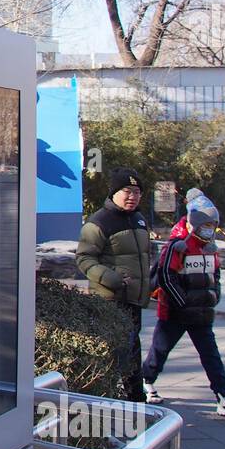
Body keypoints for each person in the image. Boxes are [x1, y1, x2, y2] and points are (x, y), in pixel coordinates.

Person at [142, 189, 225, 416]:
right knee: (160, 350)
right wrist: (181, 302)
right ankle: (146, 381)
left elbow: (215, 274)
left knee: (211, 354)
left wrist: (214, 294)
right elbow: (166, 276)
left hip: (201, 312)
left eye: (213, 225)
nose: (211, 230)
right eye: (207, 225)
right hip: (175, 312)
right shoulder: (177, 245)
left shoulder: (209, 247)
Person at [76, 167, 153, 403]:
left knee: (131, 350)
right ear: (114, 193)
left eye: (137, 192)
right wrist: (112, 279)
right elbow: (84, 258)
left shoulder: (139, 219)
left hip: (134, 300)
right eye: (127, 191)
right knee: (118, 352)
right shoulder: (99, 222)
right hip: (110, 300)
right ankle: (109, 399)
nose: (132, 196)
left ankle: (134, 401)